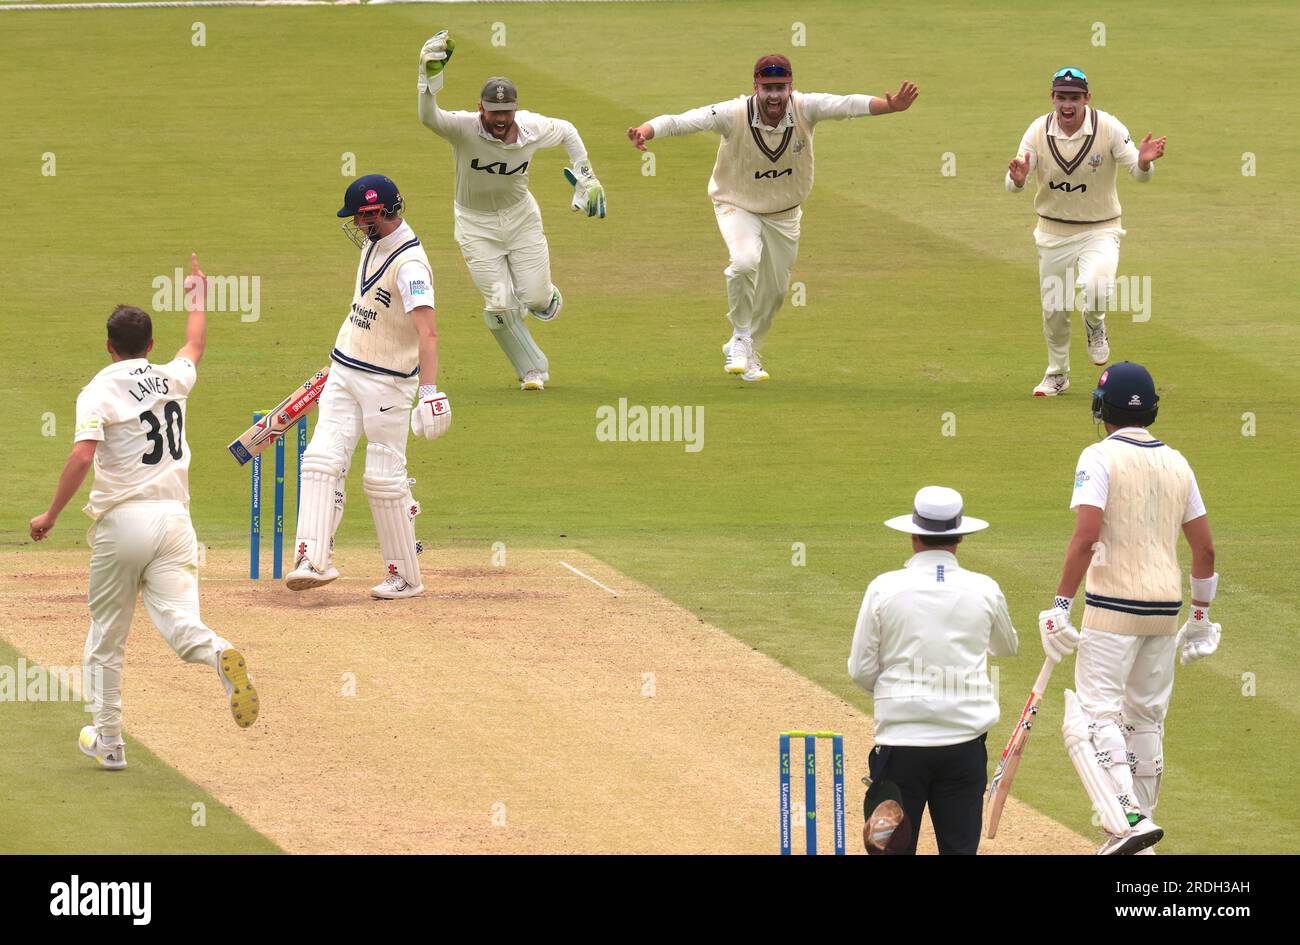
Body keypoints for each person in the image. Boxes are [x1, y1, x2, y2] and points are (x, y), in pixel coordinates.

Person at [28, 256, 259, 770]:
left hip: (124, 523)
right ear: (150, 346)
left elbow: (83, 455)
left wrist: (50, 514)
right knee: (180, 622)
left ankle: (109, 744)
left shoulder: (99, 389)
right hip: (177, 522)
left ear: (109, 346)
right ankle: (217, 650)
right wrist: (196, 296)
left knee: (106, 637)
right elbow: (194, 346)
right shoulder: (171, 378)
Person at [628, 55, 917, 381]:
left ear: (790, 87)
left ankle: (748, 349)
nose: (775, 95)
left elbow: (846, 105)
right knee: (745, 261)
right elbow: (685, 120)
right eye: (768, 88)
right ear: (756, 87)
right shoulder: (733, 113)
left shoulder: (807, 107)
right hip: (736, 204)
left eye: (781, 87)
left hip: (785, 214)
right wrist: (647, 130)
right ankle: (739, 337)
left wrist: (889, 106)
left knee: (775, 292)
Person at [1040, 361, 1219, 855]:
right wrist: (1200, 622)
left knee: (1089, 719)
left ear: (1102, 409)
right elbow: (1204, 550)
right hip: (1164, 612)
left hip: (1111, 610)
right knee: (1143, 721)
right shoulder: (1178, 462)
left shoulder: (1098, 457)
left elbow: (1086, 536)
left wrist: (1060, 605)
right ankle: (1140, 843)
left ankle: (1128, 823)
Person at [284, 174, 451, 599]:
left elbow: (428, 332)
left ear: (381, 212)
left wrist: (430, 392)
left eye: (361, 217)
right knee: (321, 462)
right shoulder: (373, 242)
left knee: (381, 478)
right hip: (344, 370)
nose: (357, 225)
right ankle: (312, 559)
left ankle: (405, 576)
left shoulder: (411, 266)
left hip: (388, 384)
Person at [418, 30, 605, 391]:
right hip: (475, 225)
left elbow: (568, 131)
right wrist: (427, 80)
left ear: (515, 109)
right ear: (480, 109)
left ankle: (543, 297)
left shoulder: (533, 129)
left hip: (521, 220)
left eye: (506, 111)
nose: (500, 119)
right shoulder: (463, 129)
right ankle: (531, 370)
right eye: (493, 111)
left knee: (536, 301)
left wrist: (588, 179)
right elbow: (429, 117)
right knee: (499, 304)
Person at [848, 486, 1018, 854]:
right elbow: (1007, 646)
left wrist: (904, 694)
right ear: (959, 537)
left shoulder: (883, 588)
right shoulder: (984, 589)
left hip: (901, 748)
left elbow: (860, 669)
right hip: (964, 749)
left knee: (890, 850)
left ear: (913, 536)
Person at [1005, 67, 1167, 397]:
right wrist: (1019, 178)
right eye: (1061, 97)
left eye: (1074, 98)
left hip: (1101, 228)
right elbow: (1013, 184)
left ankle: (1095, 323)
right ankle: (1057, 375)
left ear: (1087, 99)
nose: (1067, 105)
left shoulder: (1108, 127)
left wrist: (1146, 162)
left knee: (1096, 286)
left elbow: (1139, 173)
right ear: (1052, 98)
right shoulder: (1038, 131)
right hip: (1052, 232)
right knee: (1055, 311)